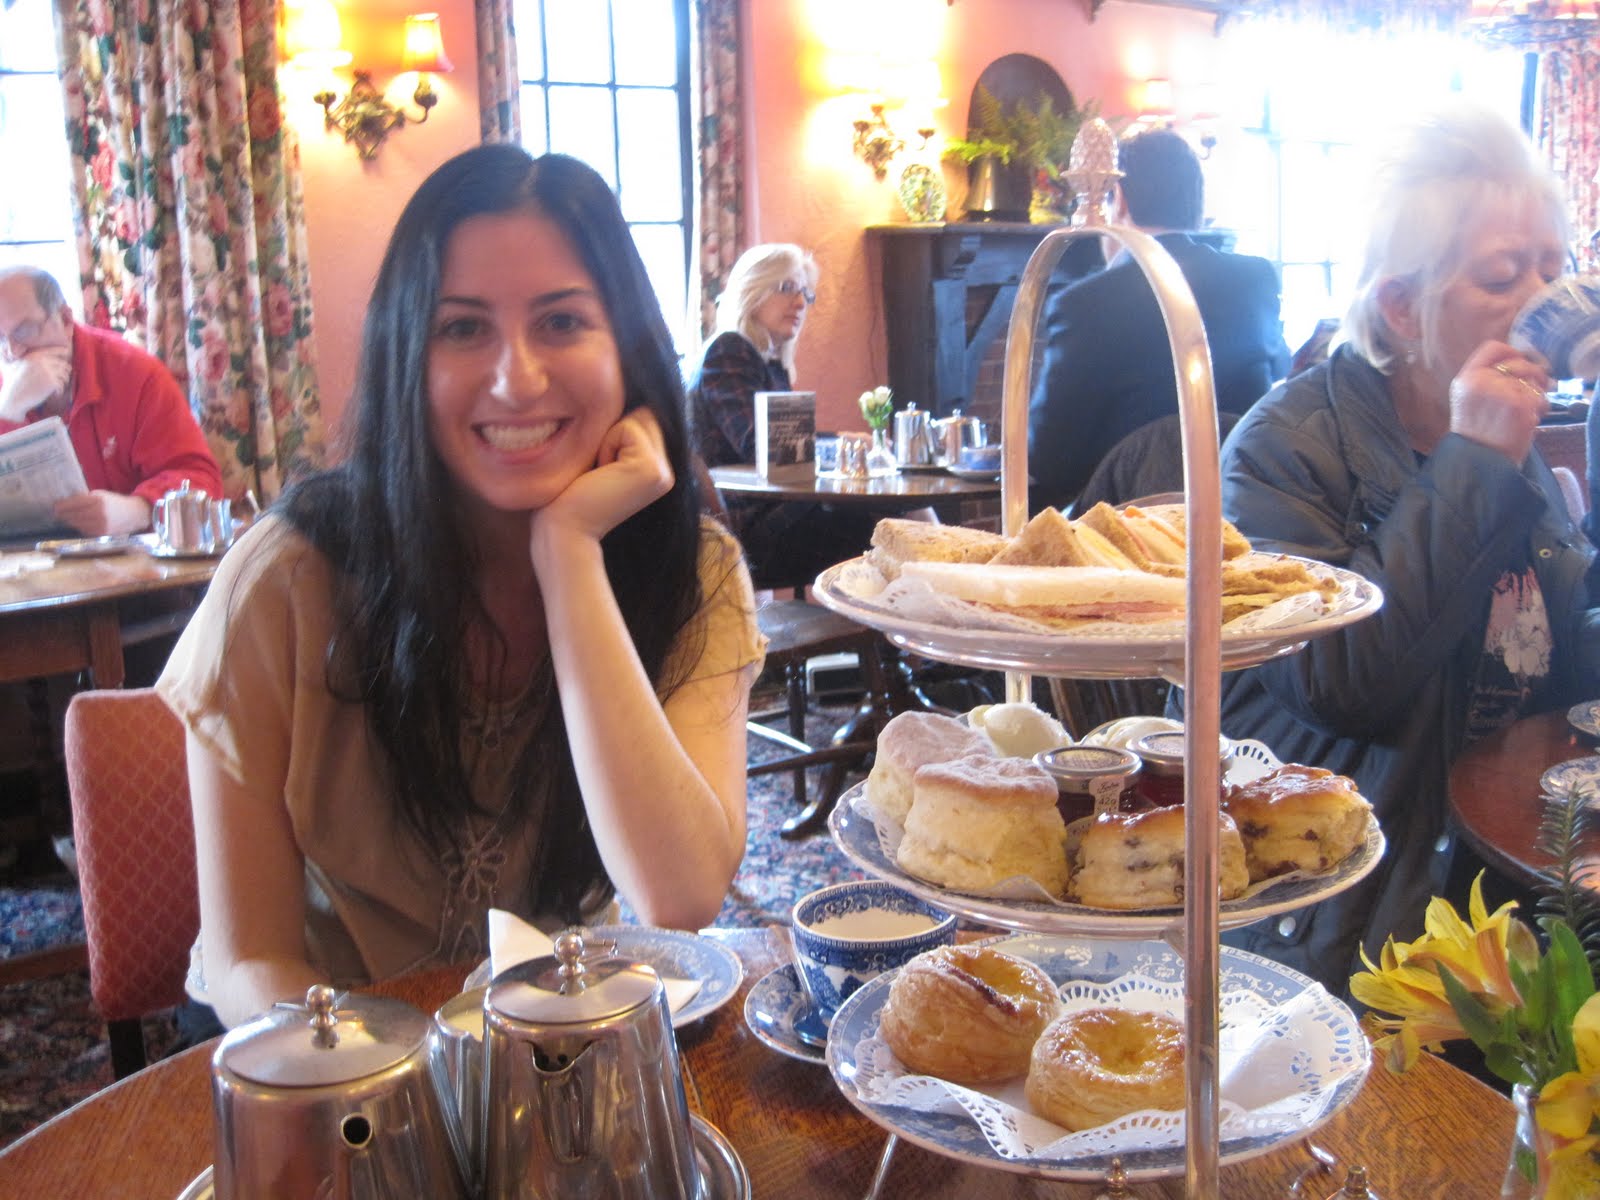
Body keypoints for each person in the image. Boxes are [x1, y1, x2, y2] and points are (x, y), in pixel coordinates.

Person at [156, 146, 765, 1030]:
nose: (516, 378)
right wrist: (388, 1096)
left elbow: (680, 894)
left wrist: (568, 556)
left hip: (542, 1037)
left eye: (561, 322)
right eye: (463, 328)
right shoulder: (286, 580)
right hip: (309, 1050)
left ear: (627, 348)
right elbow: (249, 954)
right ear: (409, 354)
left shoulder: (694, 572)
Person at [1195, 103, 1600, 996]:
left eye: (1553, 270)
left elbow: (1556, 654)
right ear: (1402, 308)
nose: (1540, 303)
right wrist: (1475, 461)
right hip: (1357, 914)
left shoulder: (1510, 435)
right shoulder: (1286, 448)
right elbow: (1344, 681)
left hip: (1513, 873)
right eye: (1502, 278)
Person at [1027, 128, 1290, 514]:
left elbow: (1048, 462)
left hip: (1118, 541)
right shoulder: (1254, 280)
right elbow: (1273, 378)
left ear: (1118, 199)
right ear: (1197, 206)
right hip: (1242, 519)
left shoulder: (1083, 304)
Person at [687, 243, 879, 588]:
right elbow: (764, 445)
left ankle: (896, 636)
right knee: (885, 525)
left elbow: (787, 445)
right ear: (753, 291)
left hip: (771, 513)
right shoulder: (729, 350)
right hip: (742, 529)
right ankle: (907, 634)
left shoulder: (769, 365)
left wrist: (838, 442)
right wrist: (839, 442)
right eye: (787, 288)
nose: (801, 303)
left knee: (891, 521)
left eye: (805, 293)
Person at [0, 266, 223, 536]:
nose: (12, 352)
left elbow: (201, 480)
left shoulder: (134, 373)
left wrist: (137, 510)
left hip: (130, 565)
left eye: (24, 331)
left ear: (66, 319)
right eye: (1, 339)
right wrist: (8, 411)